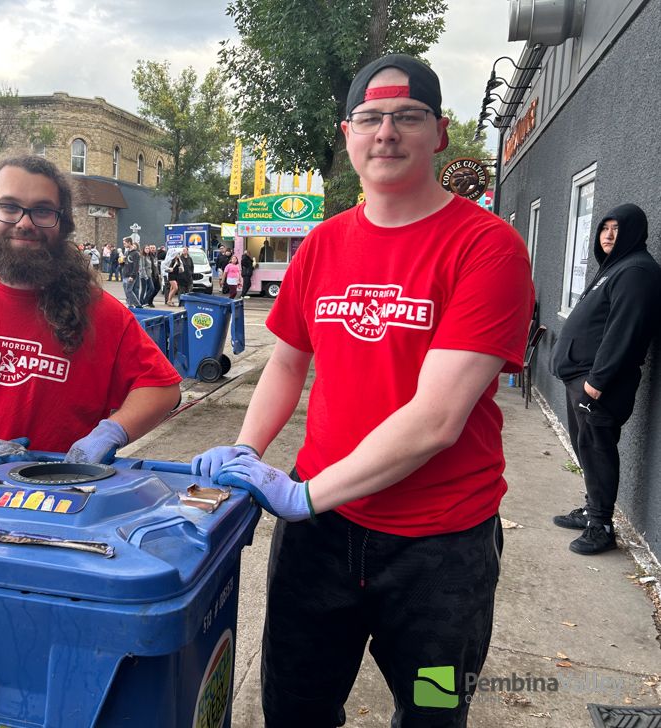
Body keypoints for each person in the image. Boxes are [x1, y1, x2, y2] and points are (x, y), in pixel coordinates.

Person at [192, 54, 534, 726]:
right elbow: (286, 363)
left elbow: (437, 418)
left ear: (439, 132)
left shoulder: (488, 248)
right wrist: (246, 450)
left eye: (407, 116)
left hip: (441, 551)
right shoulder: (322, 245)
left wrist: (302, 495)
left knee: (434, 709)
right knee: (295, 708)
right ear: (348, 133)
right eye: (371, 118)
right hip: (320, 541)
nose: (387, 133)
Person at [0, 154, 181, 477]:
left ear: (63, 221)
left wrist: (113, 431)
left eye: (42, 211)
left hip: (63, 495)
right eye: (9, 207)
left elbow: (161, 388)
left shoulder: (102, 312)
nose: (25, 222)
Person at [551, 204, 661, 555]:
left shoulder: (637, 271)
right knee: (586, 449)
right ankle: (591, 511)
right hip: (581, 378)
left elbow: (624, 332)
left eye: (616, 228)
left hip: (598, 384)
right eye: (604, 228)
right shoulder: (615, 268)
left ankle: (601, 527)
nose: (608, 235)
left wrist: (596, 383)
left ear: (634, 232)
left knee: (598, 451)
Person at [121, 237, 141, 307]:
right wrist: (121, 262)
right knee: (127, 292)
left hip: (130, 275)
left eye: (125, 243)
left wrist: (132, 276)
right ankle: (130, 305)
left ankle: (138, 305)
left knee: (129, 290)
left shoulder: (136, 253)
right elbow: (124, 264)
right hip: (125, 274)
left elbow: (136, 266)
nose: (124, 245)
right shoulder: (126, 252)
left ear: (129, 243)